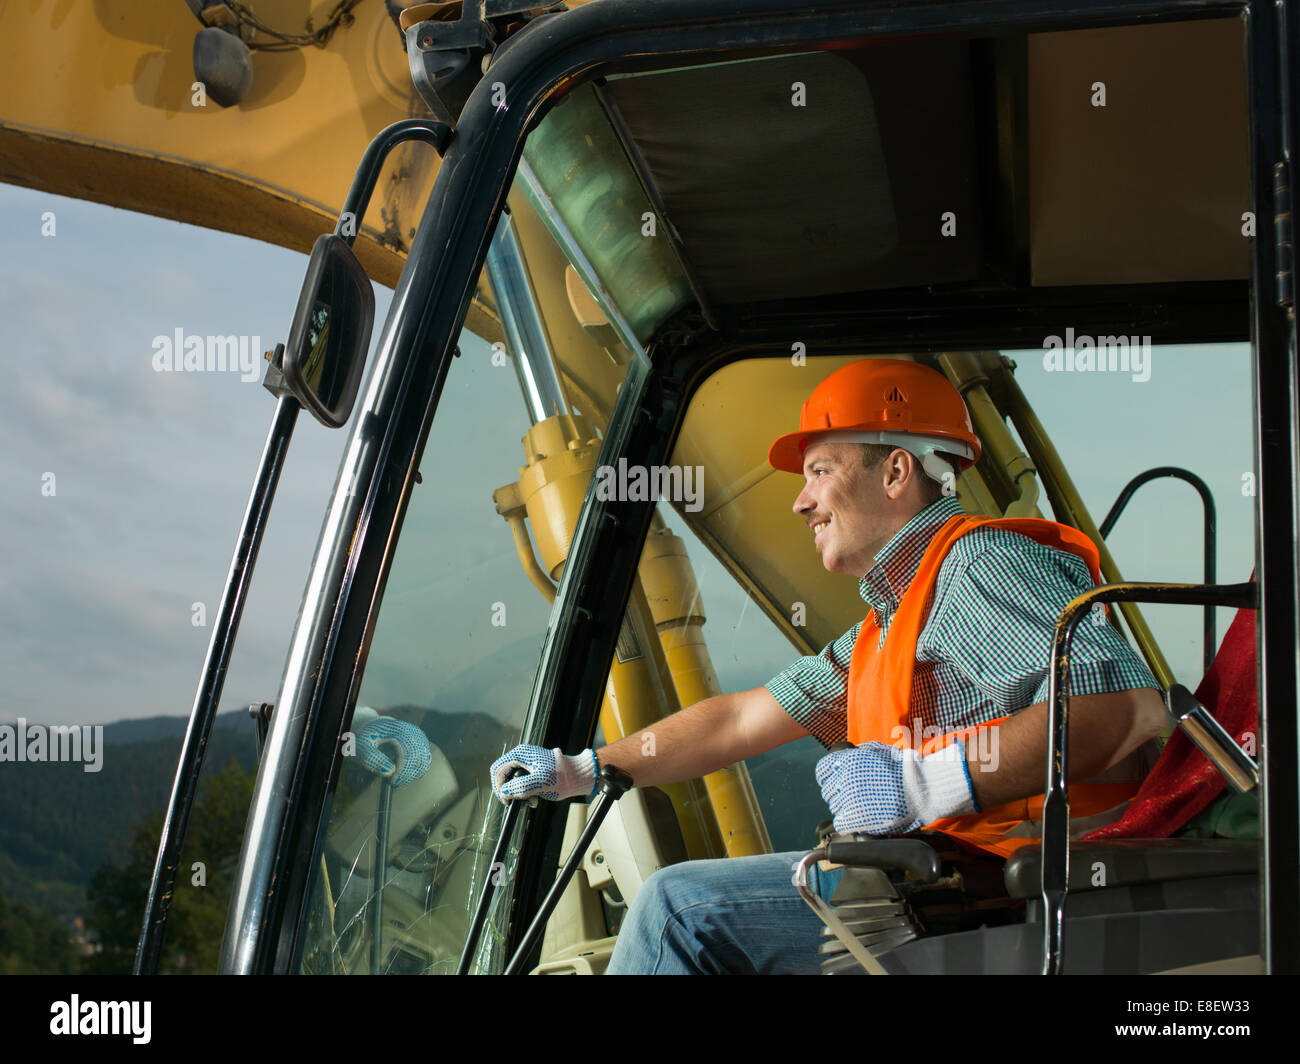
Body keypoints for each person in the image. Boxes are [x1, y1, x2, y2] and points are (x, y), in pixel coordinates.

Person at [489, 359, 1167, 974]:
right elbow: (740, 719)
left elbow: (1124, 709)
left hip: (1011, 901)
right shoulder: (890, 620)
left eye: (820, 471)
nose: (801, 501)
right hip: (945, 888)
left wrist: (922, 786)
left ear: (897, 472)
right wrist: (590, 768)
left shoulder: (979, 567)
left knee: (679, 913)